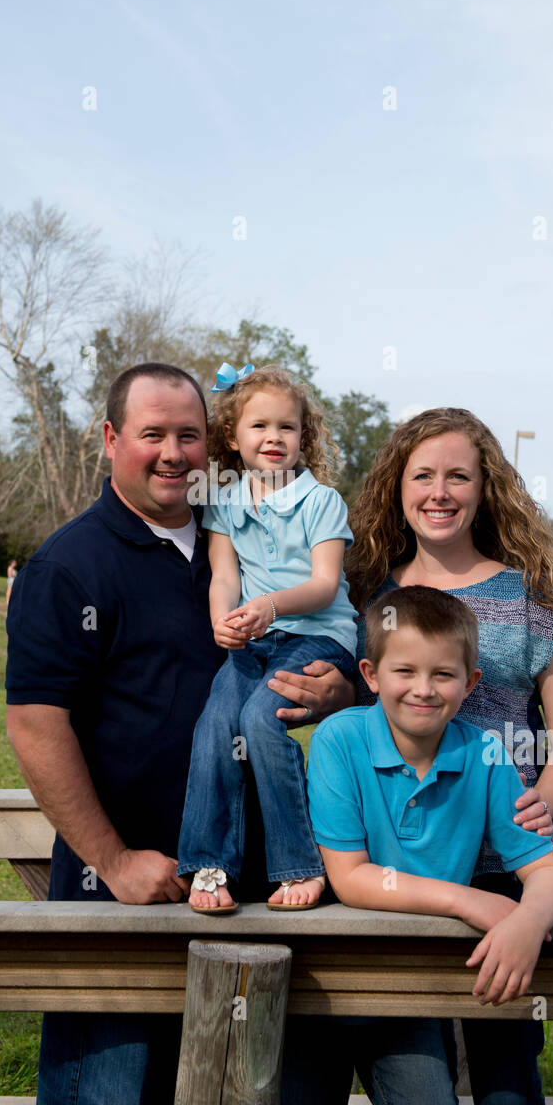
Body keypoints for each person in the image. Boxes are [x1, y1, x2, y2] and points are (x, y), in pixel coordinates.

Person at [5, 363, 354, 1105]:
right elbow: (35, 725)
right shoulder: (70, 565)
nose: (172, 453)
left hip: (258, 892)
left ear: (212, 444)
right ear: (110, 440)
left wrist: (342, 691)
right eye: (152, 434)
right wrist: (115, 859)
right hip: (125, 890)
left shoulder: (248, 539)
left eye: (187, 435)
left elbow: (342, 643)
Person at [344, 406, 553, 1105]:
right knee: (413, 1078)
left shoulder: (532, 600)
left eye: (458, 475)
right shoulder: (369, 593)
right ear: (398, 486)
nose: (439, 491)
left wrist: (538, 804)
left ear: (486, 488)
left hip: (505, 867)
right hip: (398, 865)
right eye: (423, 475)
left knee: (509, 1087)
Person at [306, 584, 553, 1105]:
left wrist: (529, 920)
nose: (423, 690)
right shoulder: (340, 739)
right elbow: (351, 877)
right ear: (371, 674)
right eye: (404, 671)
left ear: (471, 682)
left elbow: (549, 871)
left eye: (443, 675)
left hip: (408, 994)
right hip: (319, 987)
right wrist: (468, 898)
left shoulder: (486, 753)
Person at [177, 364, 358, 914]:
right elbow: (225, 575)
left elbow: (326, 585)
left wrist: (271, 605)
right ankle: (209, 865)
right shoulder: (224, 501)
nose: (274, 438)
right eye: (259, 426)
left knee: (260, 719)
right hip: (255, 636)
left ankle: (300, 865)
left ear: (305, 437)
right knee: (215, 721)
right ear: (233, 438)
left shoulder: (321, 501)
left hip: (318, 636)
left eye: (287, 427)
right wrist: (222, 619)